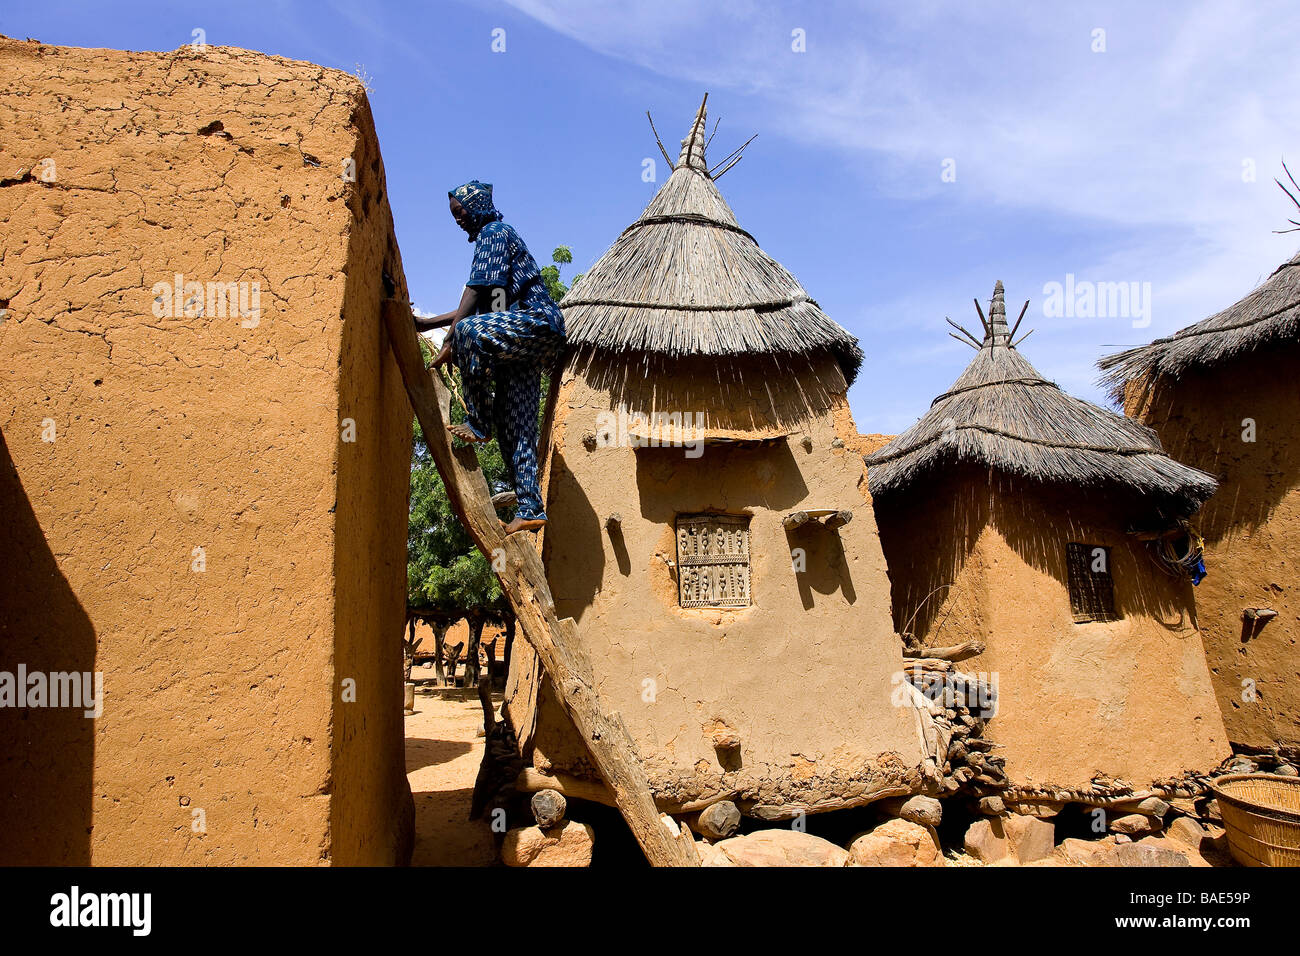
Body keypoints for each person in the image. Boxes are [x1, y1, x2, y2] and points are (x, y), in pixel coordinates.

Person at [415, 181, 565, 535]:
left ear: (477, 204)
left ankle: (478, 422)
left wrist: (451, 337)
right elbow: (484, 301)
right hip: (523, 347)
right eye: (454, 217)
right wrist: (427, 322)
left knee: (469, 332)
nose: (458, 221)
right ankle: (531, 509)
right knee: (515, 427)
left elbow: (477, 290)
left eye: (460, 212)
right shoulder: (491, 246)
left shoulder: (494, 232)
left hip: (537, 322)